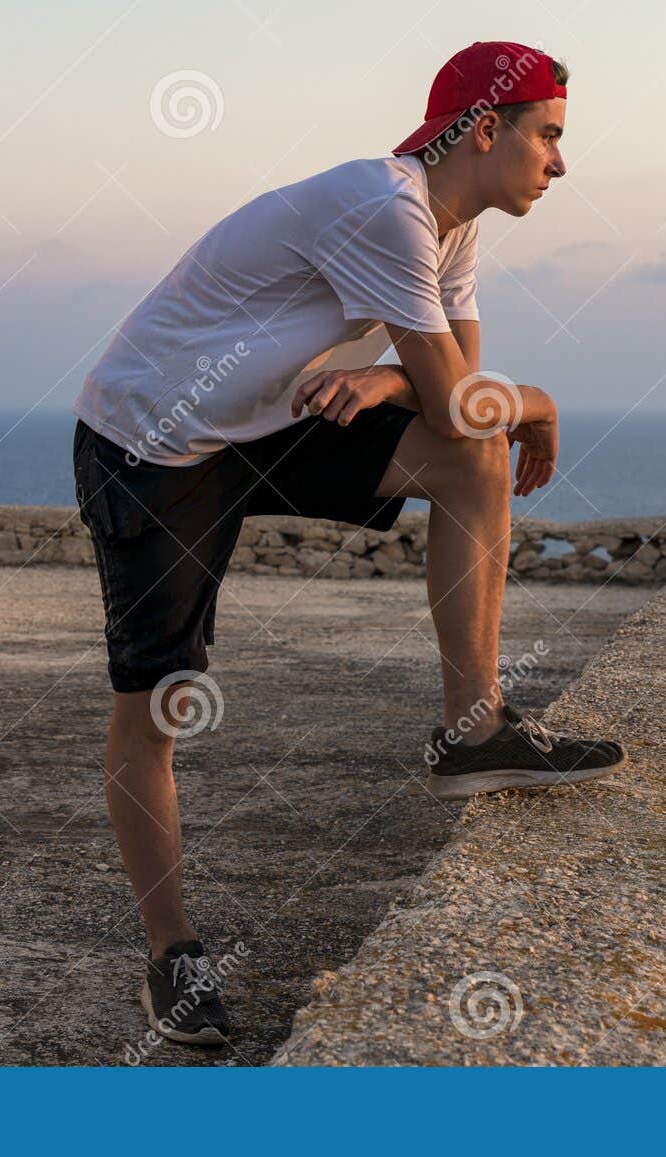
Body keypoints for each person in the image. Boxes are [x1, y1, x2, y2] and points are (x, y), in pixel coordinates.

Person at [71, 40, 627, 1048]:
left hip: (271, 419)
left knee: (472, 465)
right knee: (158, 705)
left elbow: (456, 401)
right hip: (153, 439)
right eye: (547, 136)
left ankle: (474, 728)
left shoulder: (449, 228)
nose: (559, 163)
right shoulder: (387, 207)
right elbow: (474, 397)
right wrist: (536, 403)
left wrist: (386, 381)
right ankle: (171, 951)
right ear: (485, 129)